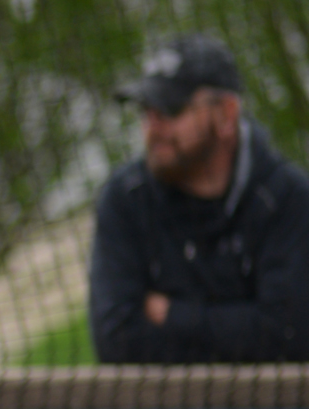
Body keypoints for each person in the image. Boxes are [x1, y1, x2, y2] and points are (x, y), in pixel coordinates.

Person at [91, 34, 309, 365]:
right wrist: (243, 325)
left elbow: (291, 336)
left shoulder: (288, 200)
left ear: (226, 114)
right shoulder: (124, 200)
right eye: (146, 110)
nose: (153, 126)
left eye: (171, 108)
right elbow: (116, 343)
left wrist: (171, 313)